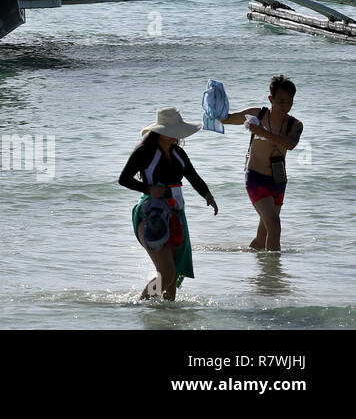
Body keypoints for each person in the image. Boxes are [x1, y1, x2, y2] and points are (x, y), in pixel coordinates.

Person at [118, 107, 218, 301]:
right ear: (161, 131)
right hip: (151, 214)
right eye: (173, 132)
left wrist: (208, 195)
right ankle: (140, 304)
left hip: (175, 214)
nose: (177, 137)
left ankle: (165, 318)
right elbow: (124, 179)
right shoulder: (145, 151)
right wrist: (149, 189)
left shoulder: (178, 152)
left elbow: (193, 176)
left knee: (174, 278)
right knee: (167, 274)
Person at [220, 75, 303, 252]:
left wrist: (261, 132)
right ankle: (275, 273)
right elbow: (227, 118)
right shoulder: (258, 115)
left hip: (278, 180)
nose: (285, 106)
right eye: (281, 101)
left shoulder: (295, 124)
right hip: (255, 177)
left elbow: (290, 144)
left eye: (289, 102)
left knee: (263, 235)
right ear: (271, 99)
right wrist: (215, 105)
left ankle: (261, 273)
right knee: (274, 223)